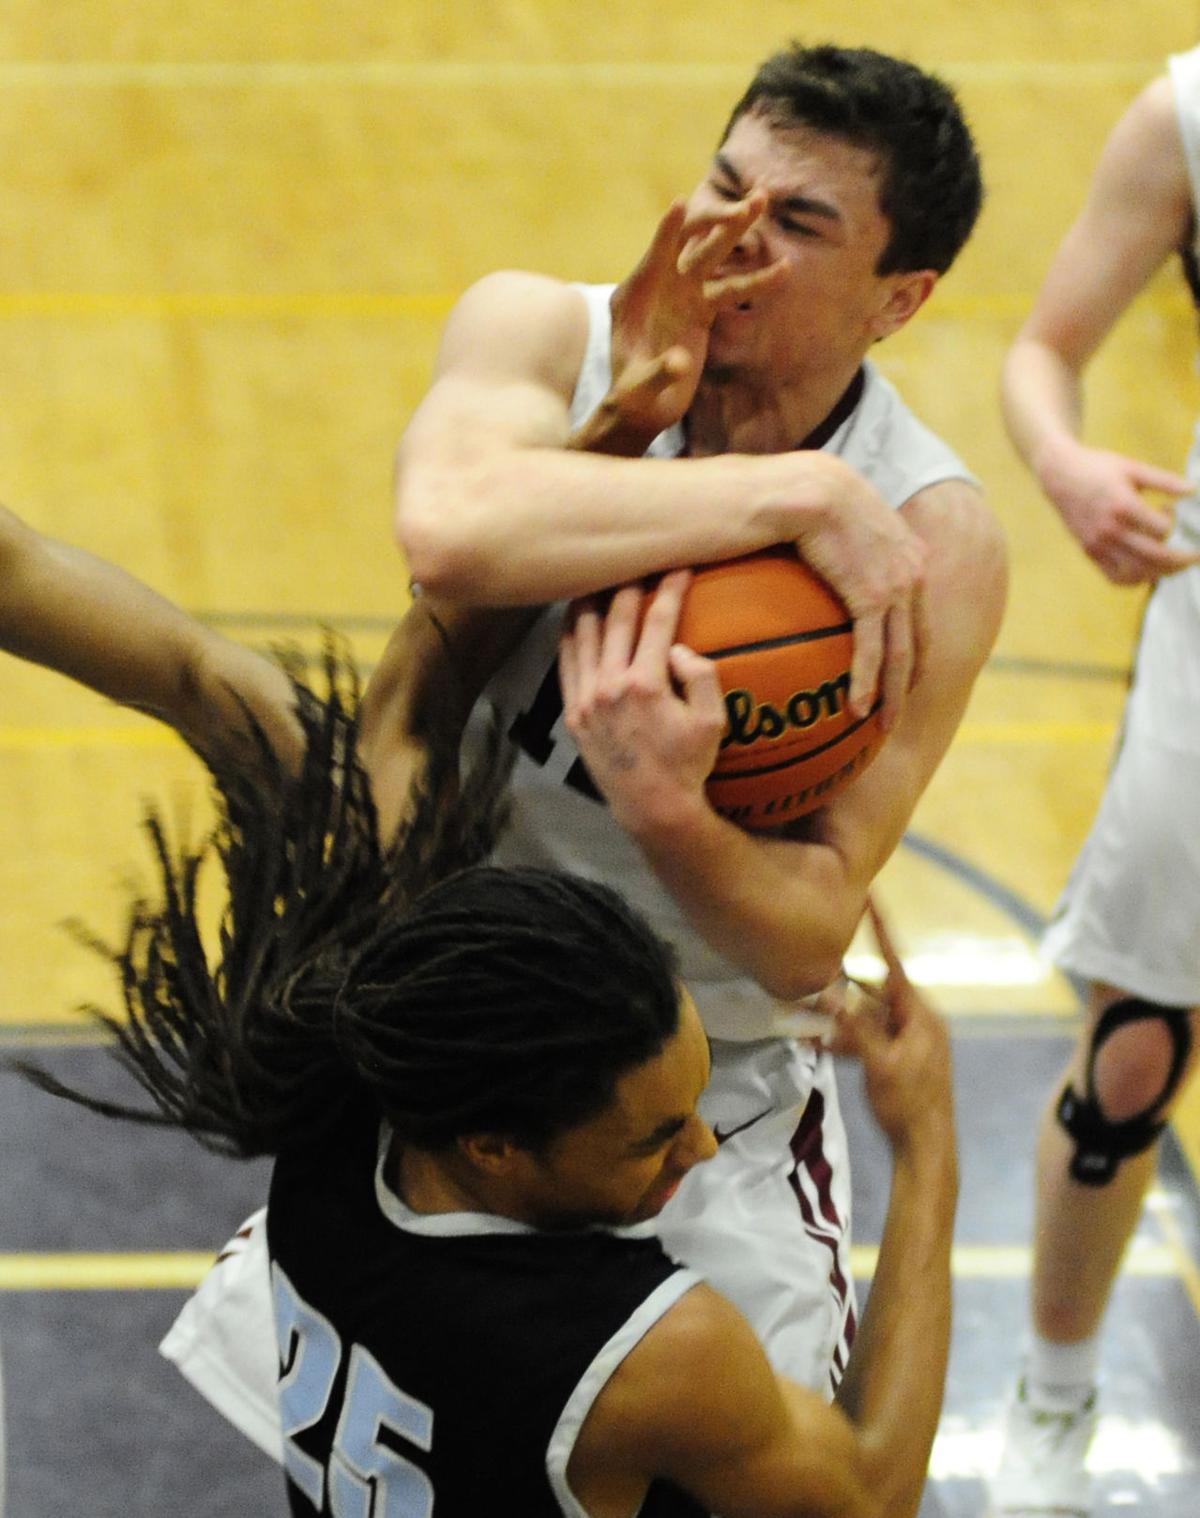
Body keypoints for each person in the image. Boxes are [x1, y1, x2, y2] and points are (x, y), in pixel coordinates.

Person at [157, 43, 1005, 1441]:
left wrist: (670, 809)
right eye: (725, 185)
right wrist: (785, 494)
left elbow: (809, 933)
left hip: (702, 1083)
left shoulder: (931, 534)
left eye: (798, 223)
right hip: (459, 1024)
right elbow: (450, 530)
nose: (734, 234)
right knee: (376, 1461)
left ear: (898, 298)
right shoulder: (545, 335)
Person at [18, 606, 960, 1514]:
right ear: (494, 1146)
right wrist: (926, 1148)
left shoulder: (339, 1069)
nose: (705, 1148)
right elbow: (872, 1500)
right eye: (656, 1139)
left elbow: (353, 695)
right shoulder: (645, 1357)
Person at [991, 48, 1200, 1518]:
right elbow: (1040, 352)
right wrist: (1065, 465)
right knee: (1133, 1054)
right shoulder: (1188, 110)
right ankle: (1054, 1394)